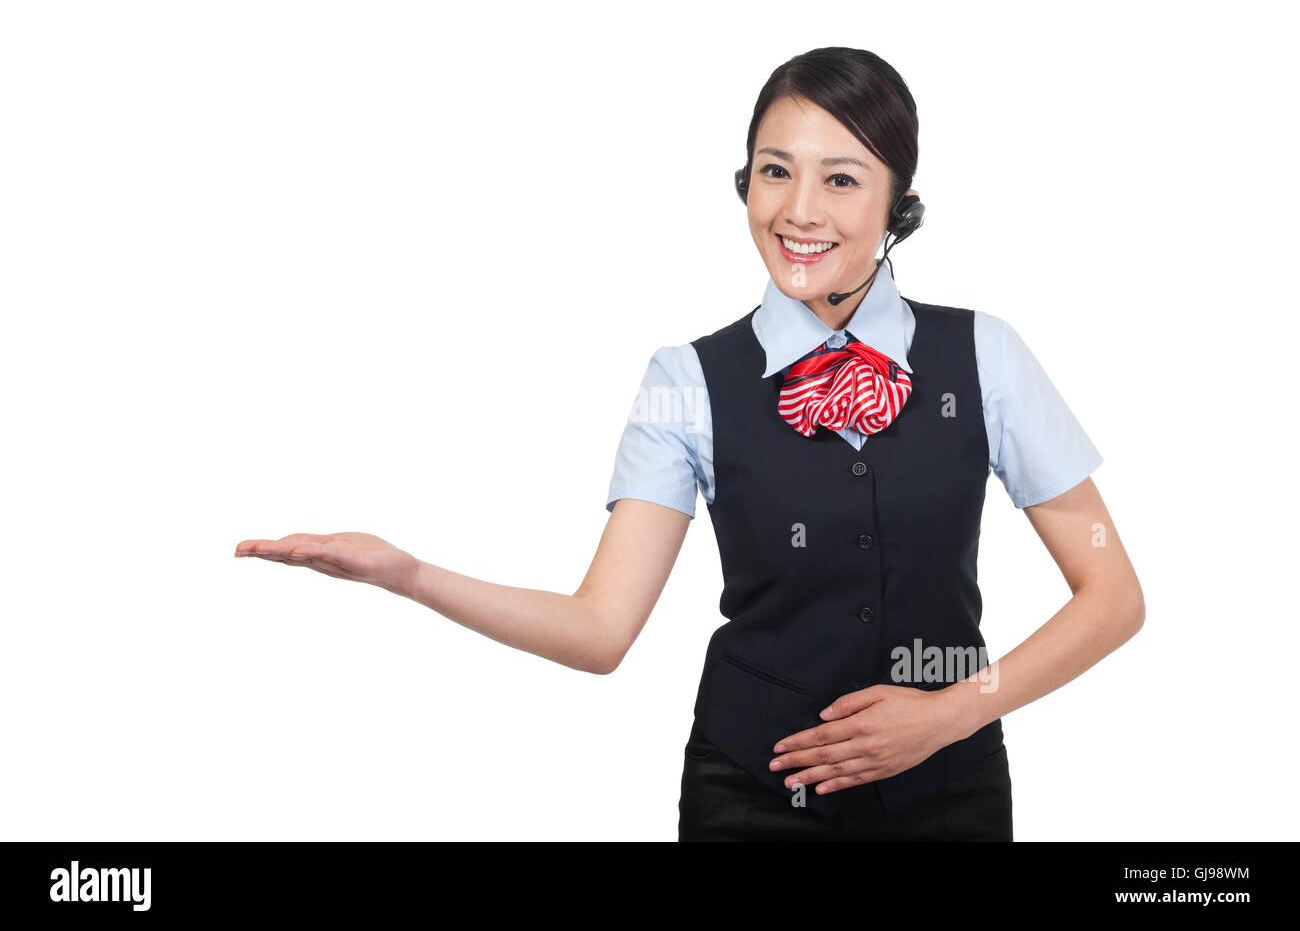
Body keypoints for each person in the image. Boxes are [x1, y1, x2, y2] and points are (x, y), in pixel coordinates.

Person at [234, 47, 1145, 842]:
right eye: (773, 171)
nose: (799, 210)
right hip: (748, 795)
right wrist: (410, 575)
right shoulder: (685, 380)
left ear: (897, 202)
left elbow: (1112, 596)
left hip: (951, 796)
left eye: (842, 178)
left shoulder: (985, 355)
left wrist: (947, 717)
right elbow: (599, 631)